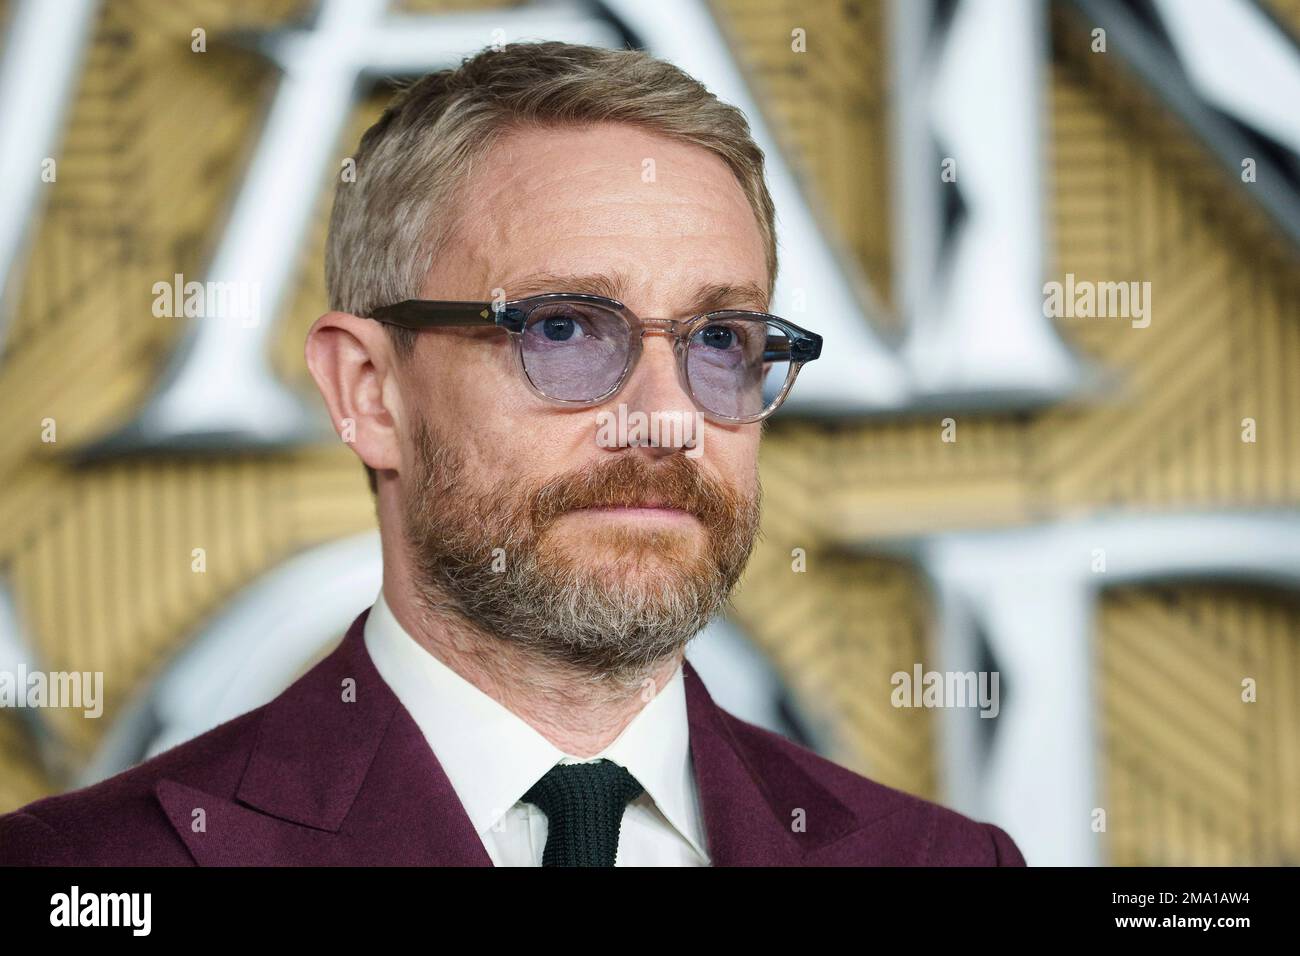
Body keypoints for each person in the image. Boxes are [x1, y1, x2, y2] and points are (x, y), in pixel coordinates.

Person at [0, 41, 1024, 867]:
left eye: (719, 339)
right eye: (566, 328)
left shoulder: (941, 858)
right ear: (369, 391)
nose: (666, 419)